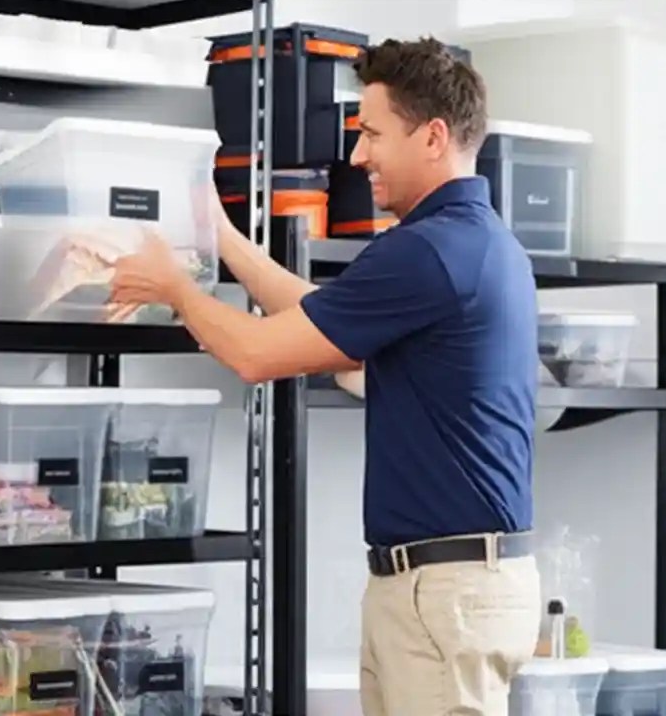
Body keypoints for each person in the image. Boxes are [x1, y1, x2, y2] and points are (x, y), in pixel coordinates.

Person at [109, 36, 541, 715]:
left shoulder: (425, 252)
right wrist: (220, 236)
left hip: (443, 592)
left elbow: (255, 355)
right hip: (454, 585)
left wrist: (176, 289)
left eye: (371, 133)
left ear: (431, 138)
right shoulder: (481, 243)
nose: (357, 155)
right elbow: (320, 318)